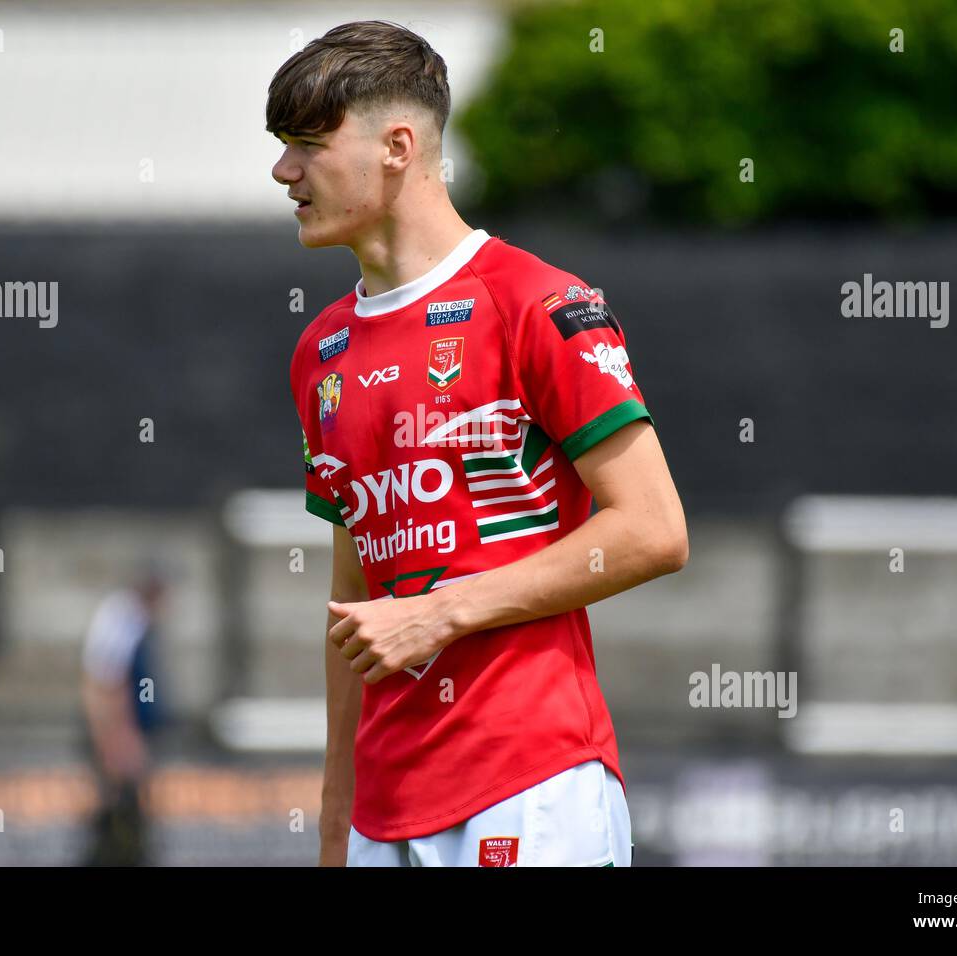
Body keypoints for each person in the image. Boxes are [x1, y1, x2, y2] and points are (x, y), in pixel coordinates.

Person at [268, 20, 688, 867]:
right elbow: (354, 601)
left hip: (532, 784)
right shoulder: (321, 352)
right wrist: (335, 816)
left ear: (398, 147)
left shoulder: (537, 301)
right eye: (283, 148)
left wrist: (440, 613)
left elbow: (653, 530)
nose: (284, 172)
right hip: (381, 812)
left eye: (308, 145)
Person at [80, 566, 167, 865]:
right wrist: (117, 738)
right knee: (119, 813)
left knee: (130, 812)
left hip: (127, 734)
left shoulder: (135, 622)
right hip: (118, 736)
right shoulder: (122, 620)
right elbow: (105, 685)